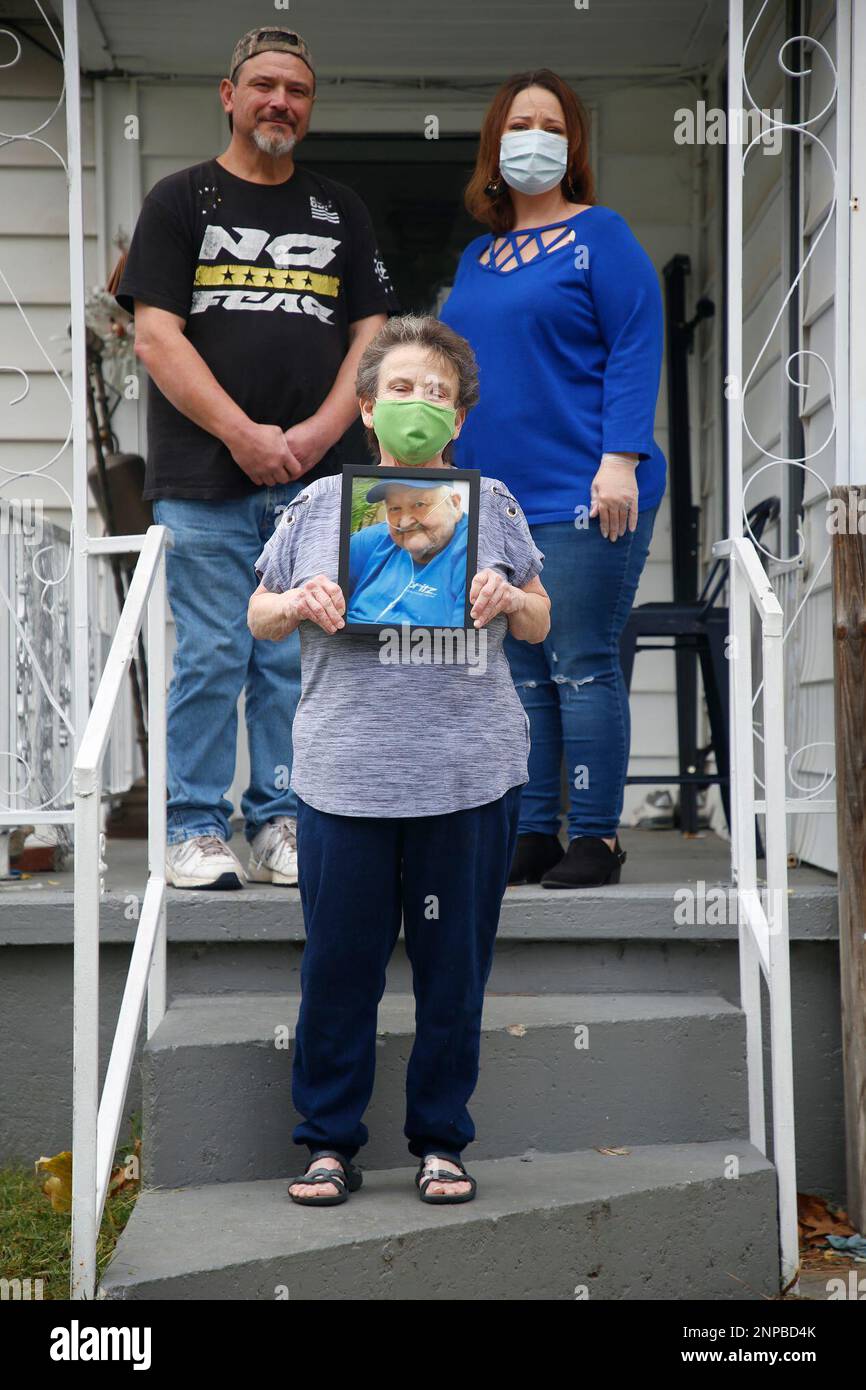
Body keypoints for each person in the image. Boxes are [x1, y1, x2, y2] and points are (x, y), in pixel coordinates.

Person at [247, 315, 550, 1204]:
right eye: (404, 389)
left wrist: (507, 596)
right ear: (368, 409)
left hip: (467, 774)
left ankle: (441, 1142)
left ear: (459, 421)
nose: (421, 405)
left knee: (453, 972)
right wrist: (300, 599)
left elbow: (541, 616)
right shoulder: (317, 507)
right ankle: (327, 1143)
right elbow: (258, 614)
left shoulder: (490, 505)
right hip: (346, 775)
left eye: (440, 394)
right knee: (337, 971)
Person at [114, 25, 399, 890]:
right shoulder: (179, 201)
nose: (281, 101)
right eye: (265, 85)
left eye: (299, 91)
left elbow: (374, 333)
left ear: (310, 108)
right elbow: (155, 338)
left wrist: (320, 431)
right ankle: (194, 828)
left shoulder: (339, 208)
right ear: (229, 94)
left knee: (296, 654)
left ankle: (280, 819)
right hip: (204, 480)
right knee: (211, 652)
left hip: (318, 481)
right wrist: (243, 433)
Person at [439, 69, 667, 889]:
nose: (533, 134)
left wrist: (621, 459)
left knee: (579, 659)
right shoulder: (480, 255)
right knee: (521, 666)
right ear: (495, 146)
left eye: (551, 123)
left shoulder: (598, 235)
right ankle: (535, 829)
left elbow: (638, 343)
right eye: (518, 122)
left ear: (571, 147)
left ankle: (597, 838)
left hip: (586, 487)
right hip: (499, 496)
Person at [347, 479, 468, 626]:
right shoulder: (376, 539)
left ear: (454, 505)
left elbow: (460, 644)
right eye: (395, 508)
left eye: (419, 504)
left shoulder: (472, 554)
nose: (404, 523)